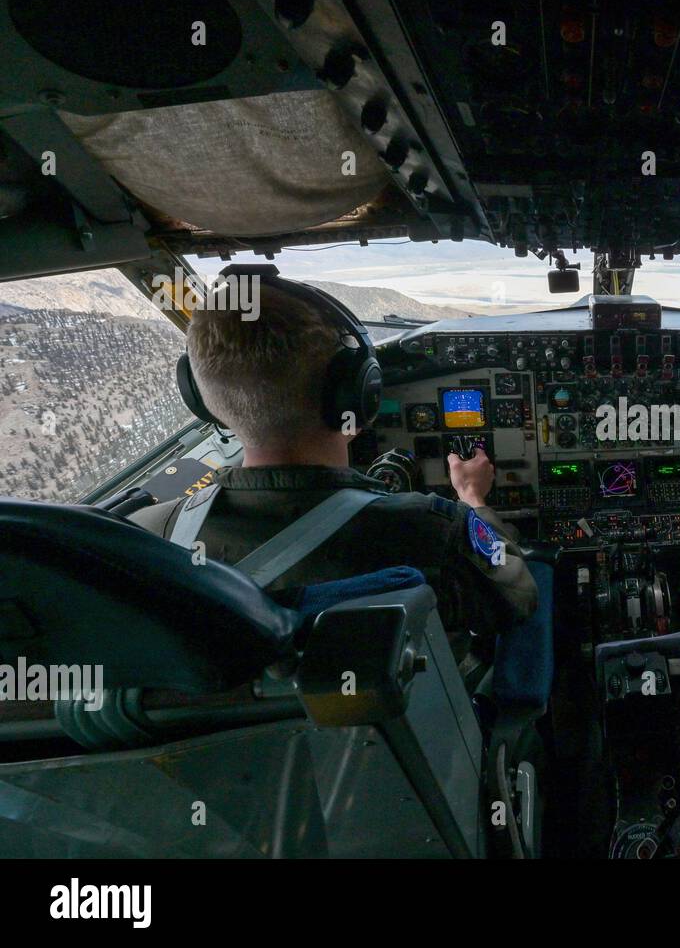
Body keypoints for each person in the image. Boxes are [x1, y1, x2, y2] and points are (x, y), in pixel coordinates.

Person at [130, 271, 537, 668]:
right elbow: (517, 598)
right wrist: (472, 499)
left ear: (201, 399)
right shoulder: (436, 530)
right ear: (361, 395)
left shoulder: (143, 540)